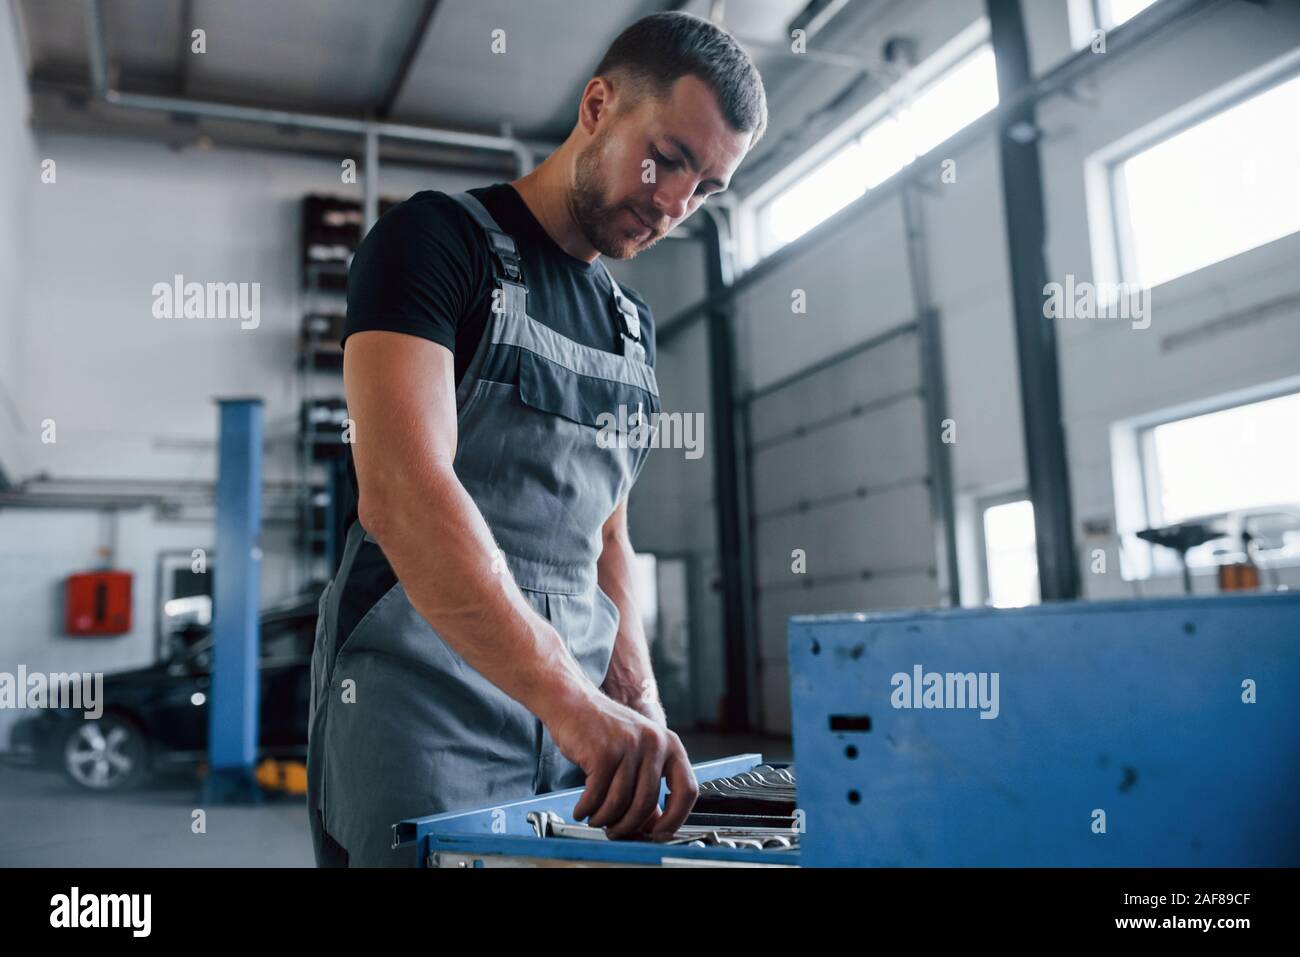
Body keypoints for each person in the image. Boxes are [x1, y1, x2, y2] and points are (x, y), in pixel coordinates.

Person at [307, 11, 767, 866]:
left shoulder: (634, 328)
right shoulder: (434, 244)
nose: (673, 205)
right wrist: (574, 701)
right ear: (598, 105)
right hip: (419, 717)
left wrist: (637, 705)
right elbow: (403, 493)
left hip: (576, 737)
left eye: (705, 190)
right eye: (664, 159)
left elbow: (608, 537)